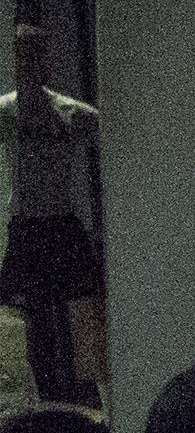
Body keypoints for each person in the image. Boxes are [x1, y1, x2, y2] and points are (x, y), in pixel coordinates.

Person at [0, 22, 106, 406]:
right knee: (36, 316)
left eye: (34, 54)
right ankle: (48, 394)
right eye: (22, 55)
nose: (28, 63)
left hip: (58, 221)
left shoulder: (68, 112)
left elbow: (105, 130)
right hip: (28, 223)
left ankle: (82, 391)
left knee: (74, 311)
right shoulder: (7, 110)